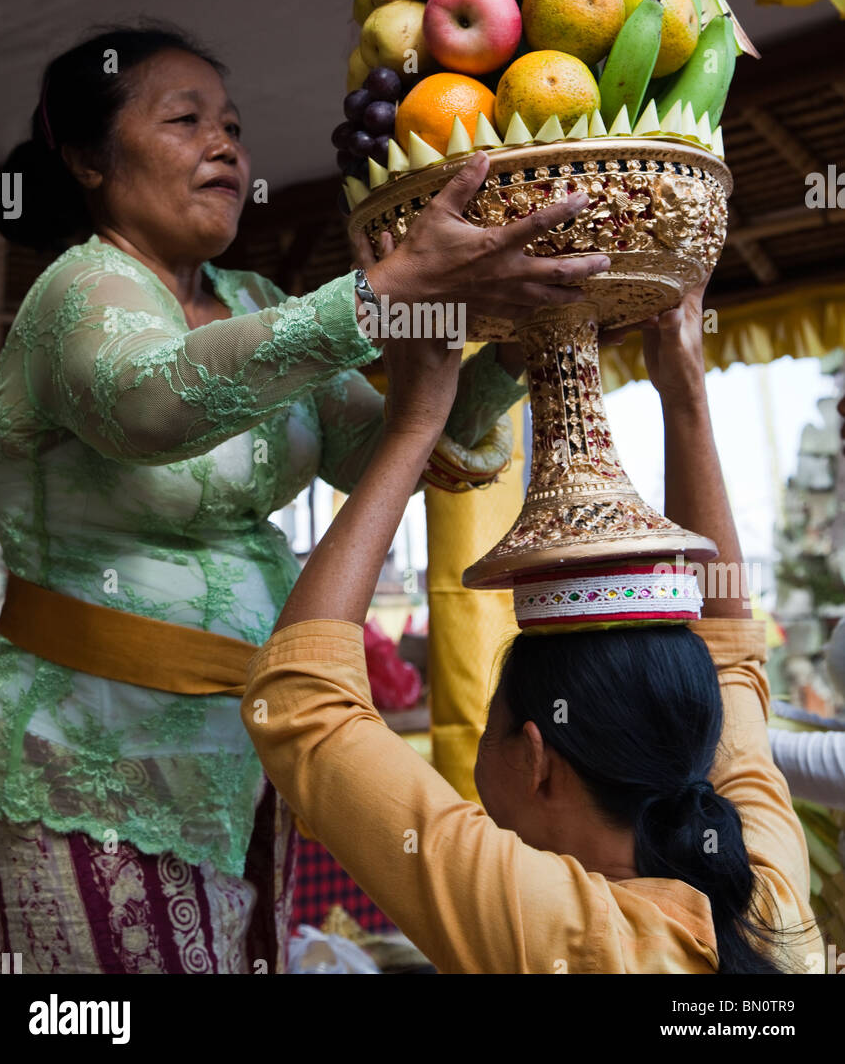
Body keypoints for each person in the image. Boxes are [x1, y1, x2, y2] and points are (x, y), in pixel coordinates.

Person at [0, 23, 609, 974]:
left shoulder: (250, 298)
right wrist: (380, 293)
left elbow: (391, 441)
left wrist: (528, 331)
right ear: (85, 159)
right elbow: (154, 401)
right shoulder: (79, 290)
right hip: (84, 761)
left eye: (230, 125)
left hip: (247, 760)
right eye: (184, 120)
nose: (224, 144)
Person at [243, 277, 824, 974]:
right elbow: (732, 657)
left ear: (535, 756)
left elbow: (300, 702)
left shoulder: (564, 933)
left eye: (490, 721)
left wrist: (413, 424)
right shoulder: (769, 901)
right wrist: (685, 394)